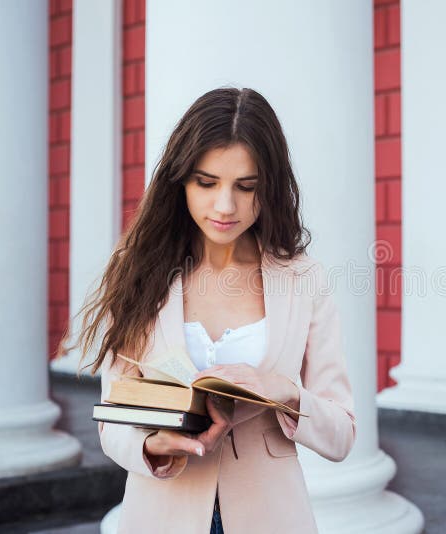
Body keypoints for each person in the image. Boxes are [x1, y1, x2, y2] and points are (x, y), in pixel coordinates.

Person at [60, 87, 356, 534]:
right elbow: (113, 418)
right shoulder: (140, 270)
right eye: (206, 182)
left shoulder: (303, 278)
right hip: (161, 512)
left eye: (246, 186)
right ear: (180, 180)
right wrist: (154, 446)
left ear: (269, 188)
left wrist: (285, 392)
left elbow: (342, 435)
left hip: (271, 514)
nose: (225, 206)